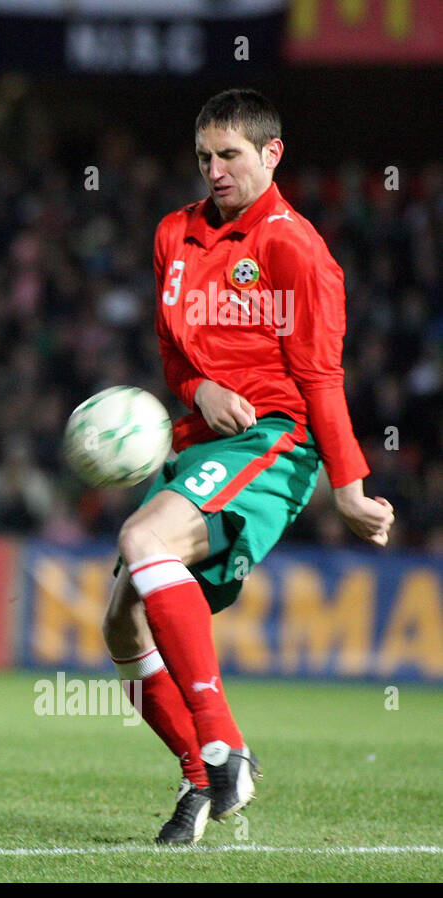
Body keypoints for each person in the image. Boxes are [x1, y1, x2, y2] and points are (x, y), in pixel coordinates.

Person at [101, 89, 394, 844]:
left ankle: (223, 747)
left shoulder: (295, 249)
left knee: (144, 542)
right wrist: (199, 385)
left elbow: (322, 379)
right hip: (199, 441)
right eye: (204, 156)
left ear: (271, 154)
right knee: (120, 623)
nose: (214, 169)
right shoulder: (176, 233)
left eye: (229, 154)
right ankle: (203, 776)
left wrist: (350, 486)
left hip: (273, 438)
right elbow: (172, 350)